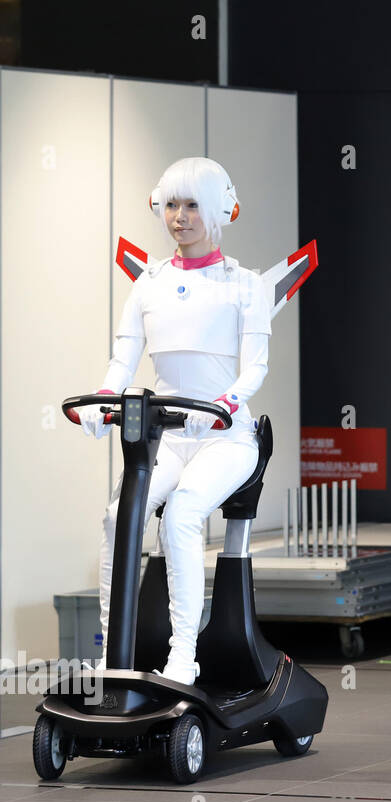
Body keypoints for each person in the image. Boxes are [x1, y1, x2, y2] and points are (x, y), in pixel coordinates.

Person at [82, 157, 270, 686]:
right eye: (171, 206)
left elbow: (254, 366)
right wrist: (103, 399)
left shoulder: (246, 285)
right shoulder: (149, 284)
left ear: (217, 211)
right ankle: (111, 655)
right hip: (166, 434)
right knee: (118, 516)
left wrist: (229, 403)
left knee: (181, 517)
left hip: (226, 437)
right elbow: (122, 362)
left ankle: (182, 656)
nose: (179, 217)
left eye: (191, 206)